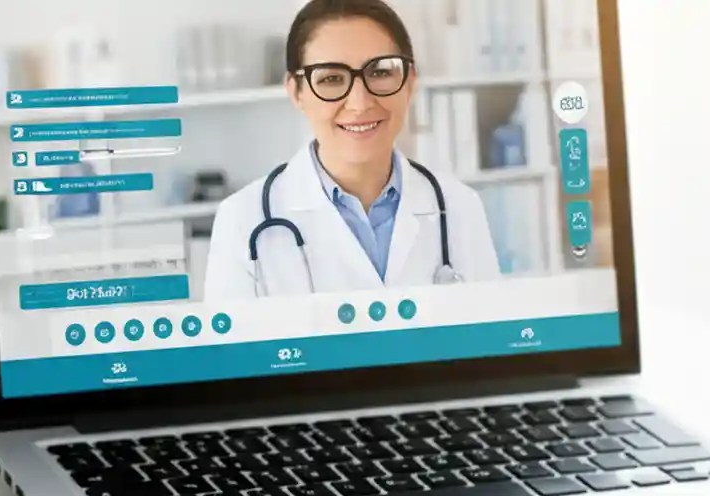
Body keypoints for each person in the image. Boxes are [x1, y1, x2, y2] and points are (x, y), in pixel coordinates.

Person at [203, 0, 501, 300]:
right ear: (297, 92)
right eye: (331, 79)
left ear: (409, 82)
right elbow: (234, 348)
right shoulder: (242, 220)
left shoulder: (460, 207)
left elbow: (494, 340)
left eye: (380, 72)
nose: (360, 103)